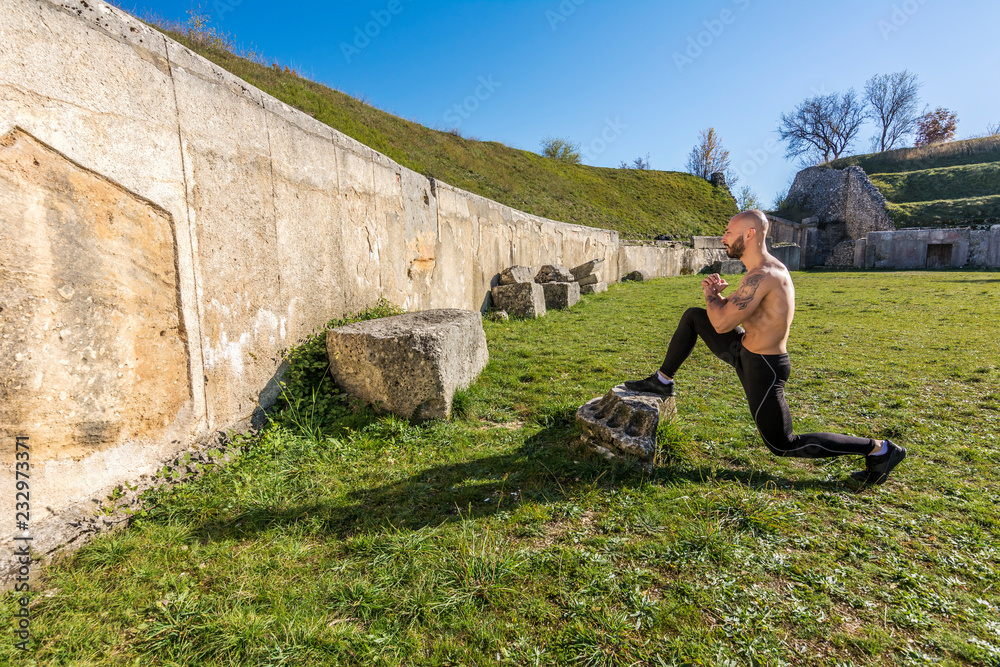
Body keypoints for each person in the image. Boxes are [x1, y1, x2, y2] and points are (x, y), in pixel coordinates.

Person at [624, 210, 906, 484]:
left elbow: (722, 325)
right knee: (694, 317)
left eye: (727, 233)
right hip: (743, 350)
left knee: (783, 444)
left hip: (765, 367)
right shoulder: (755, 273)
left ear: (749, 234)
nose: (723, 239)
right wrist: (718, 299)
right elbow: (730, 314)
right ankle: (662, 381)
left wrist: (712, 296)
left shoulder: (765, 274)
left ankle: (878, 449)